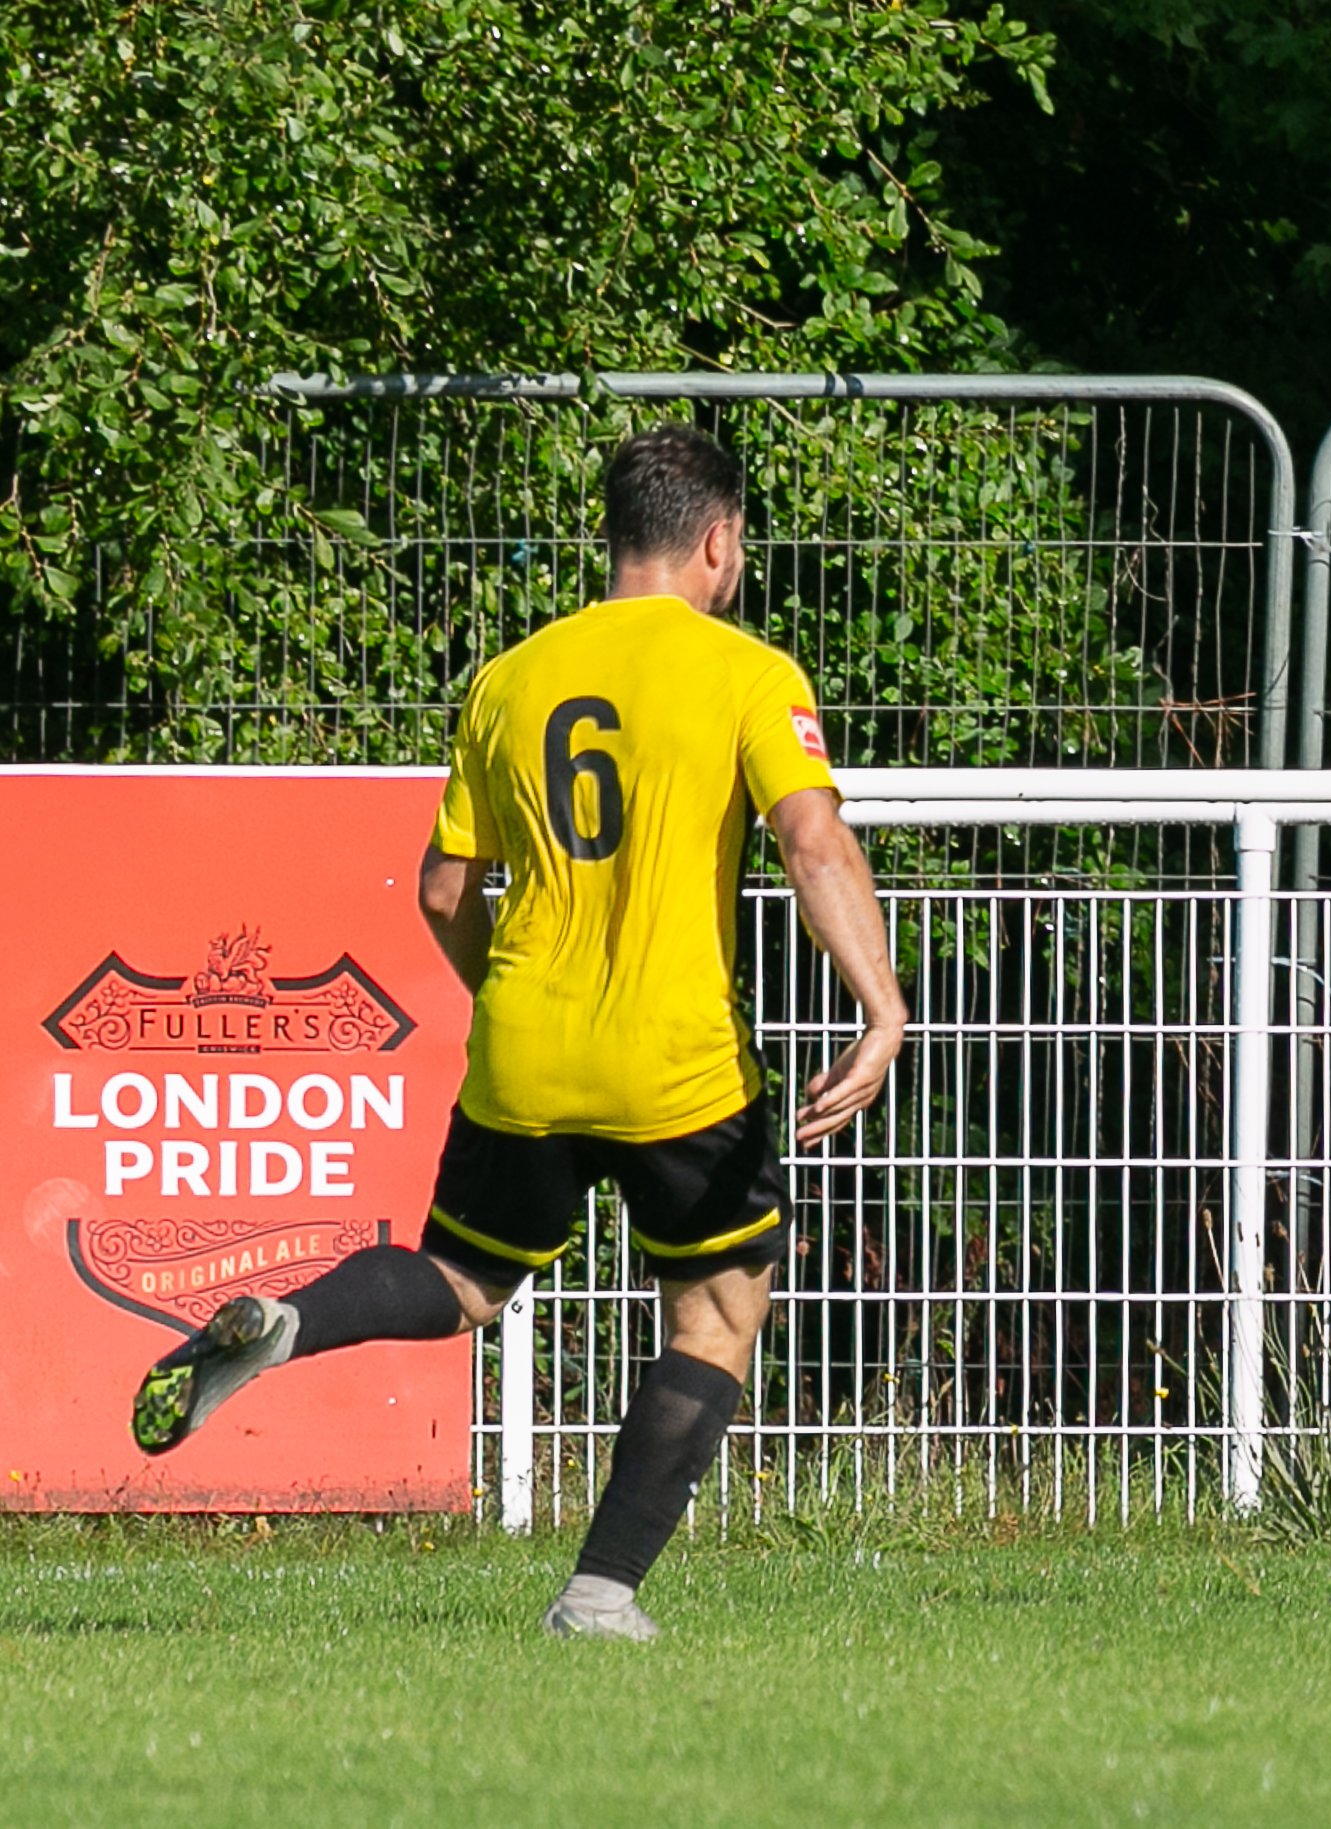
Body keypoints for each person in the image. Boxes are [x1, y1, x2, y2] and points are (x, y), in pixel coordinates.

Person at [129, 425, 909, 1641]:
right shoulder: (750, 672)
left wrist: (507, 989)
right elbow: (814, 840)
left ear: (614, 542)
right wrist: (882, 1007)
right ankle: (599, 1593)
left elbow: (444, 888)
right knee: (715, 1308)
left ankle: (290, 1322)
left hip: (524, 1048)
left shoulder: (512, 676)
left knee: (463, 1276)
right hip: (678, 1062)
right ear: (719, 540)